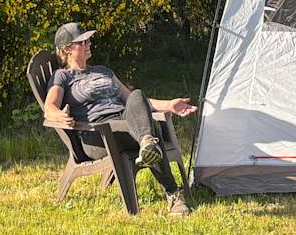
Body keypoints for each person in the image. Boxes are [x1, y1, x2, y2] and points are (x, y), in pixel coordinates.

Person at [43, 21, 197, 216]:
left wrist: (169, 105)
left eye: (88, 40)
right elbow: (49, 107)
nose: (88, 43)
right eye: (82, 42)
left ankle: (147, 143)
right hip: (99, 134)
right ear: (67, 49)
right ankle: (173, 193)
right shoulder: (62, 76)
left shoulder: (103, 71)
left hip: (125, 122)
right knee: (151, 131)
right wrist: (60, 116)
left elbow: (133, 101)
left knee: (136, 95)